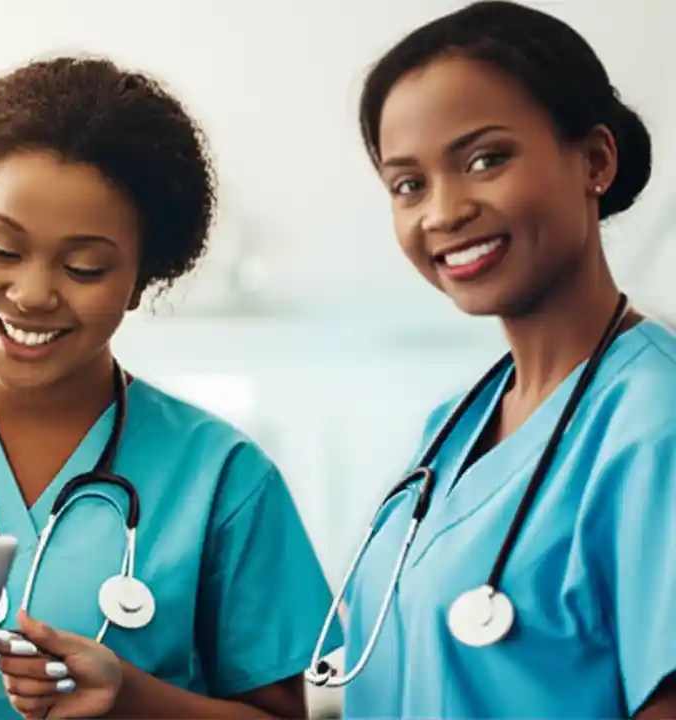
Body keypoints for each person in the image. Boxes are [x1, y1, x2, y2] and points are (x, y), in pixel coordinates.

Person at [0, 55, 341, 719]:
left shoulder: (223, 479)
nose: (31, 294)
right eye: (1, 247)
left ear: (142, 279)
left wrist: (131, 699)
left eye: (84, 267)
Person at [320, 2, 676, 717]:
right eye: (408, 184)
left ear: (595, 160)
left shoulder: (654, 424)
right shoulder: (446, 435)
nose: (443, 212)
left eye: (485, 159)